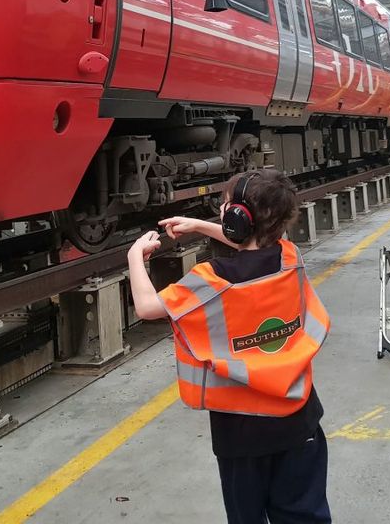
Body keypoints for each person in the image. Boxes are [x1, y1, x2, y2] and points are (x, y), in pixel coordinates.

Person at [126, 169, 332, 524]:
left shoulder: (210, 279)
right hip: (300, 424)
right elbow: (255, 243)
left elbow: (146, 307)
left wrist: (135, 256)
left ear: (238, 217)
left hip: (240, 437)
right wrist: (199, 225)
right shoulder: (290, 258)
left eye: (225, 205)